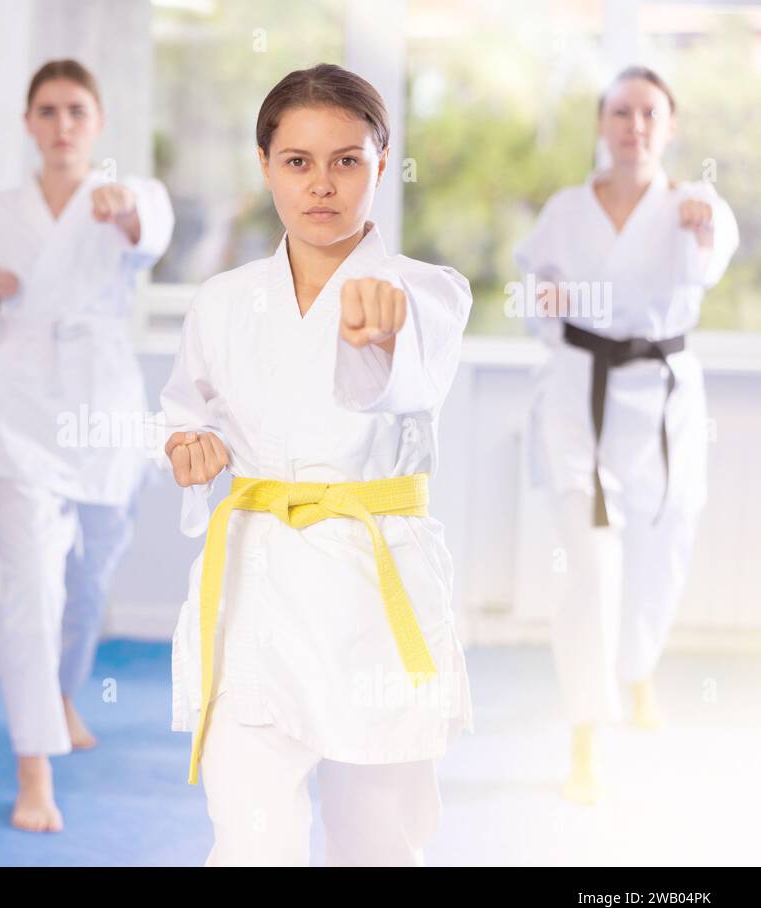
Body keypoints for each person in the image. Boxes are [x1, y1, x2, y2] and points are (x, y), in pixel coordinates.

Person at [157, 63, 474, 866]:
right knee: (248, 836)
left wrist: (377, 339)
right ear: (264, 165)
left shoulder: (426, 293)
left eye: (346, 160)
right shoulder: (223, 301)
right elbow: (190, 416)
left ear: (381, 160)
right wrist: (193, 453)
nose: (321, 184)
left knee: (377, 842)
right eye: (297, 161)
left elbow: (402, 384)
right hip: (253, 592)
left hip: (370, 589)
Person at [0, 59, 174, 832]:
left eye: (76, 110)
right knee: (32, 589)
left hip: (103, 404)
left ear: (98, 121)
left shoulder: (128, 197)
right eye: (47, 111)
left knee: (89, 575)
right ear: (28, 123)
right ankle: (34, 771)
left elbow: (155, 233)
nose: (62, 125)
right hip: (15, 410)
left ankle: (66, 693)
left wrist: (127, 211)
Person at [514, 66, 738, 804]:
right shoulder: (564, 210)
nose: (633, 127)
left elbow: (715, 251)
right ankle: (586, 736)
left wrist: (708, 226)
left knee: (664, 548)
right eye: (619, 113)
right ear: (602, 124)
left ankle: (637, 667)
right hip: (579, 395)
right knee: (590, 561)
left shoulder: (691, 205)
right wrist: (543, 299)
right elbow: (531, 292)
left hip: (664, 399)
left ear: (669, 127)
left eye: (648, 114)